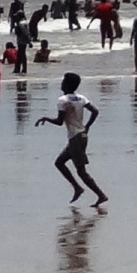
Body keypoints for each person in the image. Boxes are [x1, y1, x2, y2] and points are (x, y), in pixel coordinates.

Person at [40, 71, 106, 205]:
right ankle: (77, 187)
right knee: (59, 162)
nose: (61, 83)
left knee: (81, 171)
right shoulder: (81, 98)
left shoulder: (62, 100)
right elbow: (95, 111)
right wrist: (87, 126)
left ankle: (100, 195)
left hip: (75, 138)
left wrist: (46, 118)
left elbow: (59, 121)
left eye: (63, 81)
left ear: (66, 84)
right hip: (81, 136)